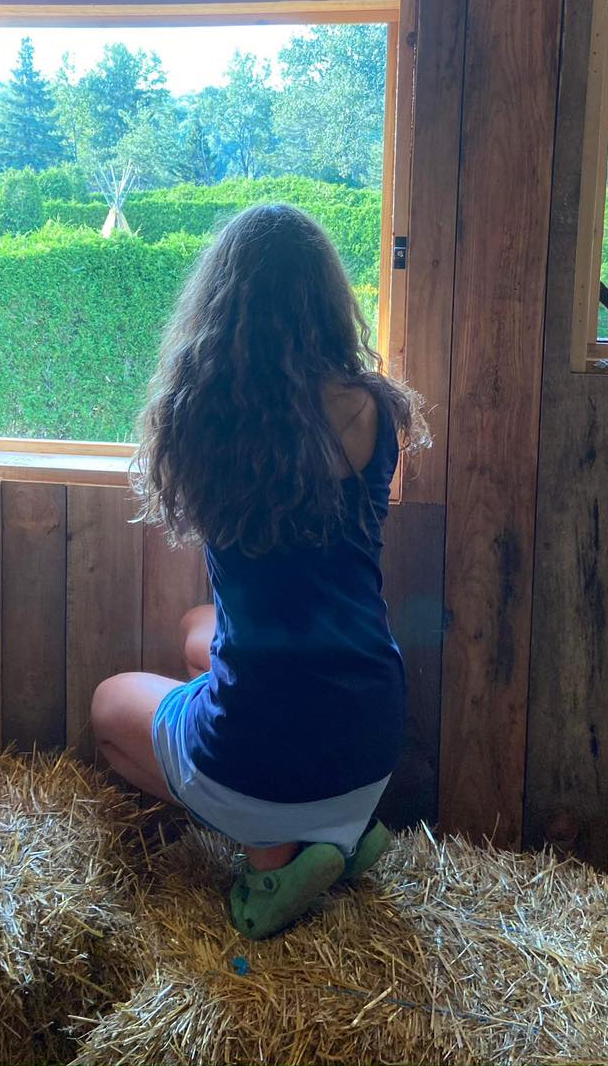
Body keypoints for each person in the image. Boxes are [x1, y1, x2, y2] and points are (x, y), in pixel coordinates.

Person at [91, 203, 427, 939]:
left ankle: (271, 852)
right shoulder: (373, 408)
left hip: (263, 741)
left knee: (111, 706)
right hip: (371, 732)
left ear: (220, 305)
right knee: (194, 631)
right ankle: (341, 832)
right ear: (329, 302)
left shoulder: (206, 417)